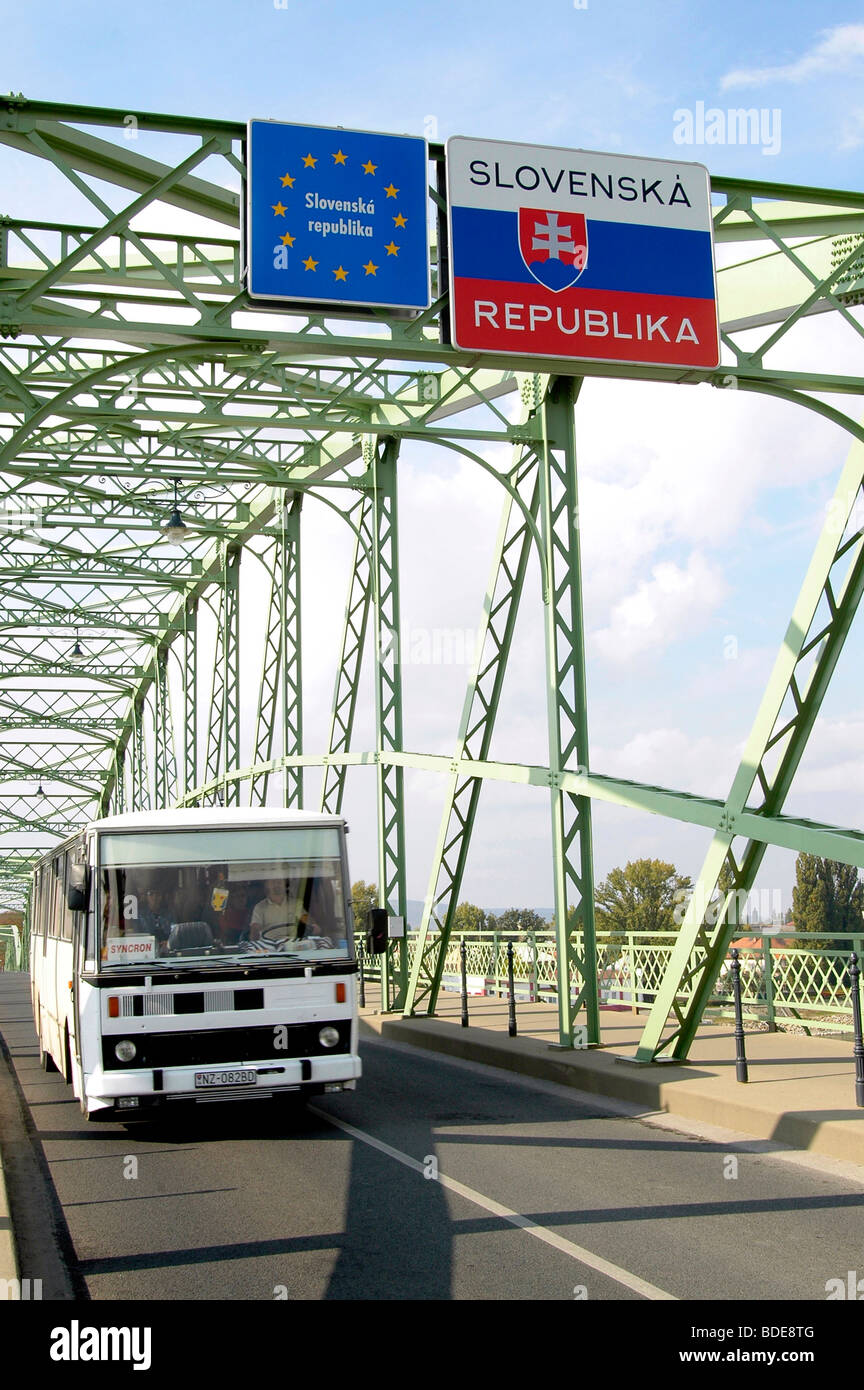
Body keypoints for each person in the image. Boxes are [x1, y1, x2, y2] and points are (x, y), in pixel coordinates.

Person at [249, 878, 315, 941]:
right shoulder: (260, 907)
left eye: (279, 882)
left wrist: (313, 926)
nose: (276, 885)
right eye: (273, 882)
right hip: (270, 946)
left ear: (285, 885)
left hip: (293, 944)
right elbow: (255, 928)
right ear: (267, 885)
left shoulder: (295, 904)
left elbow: (307, 921)